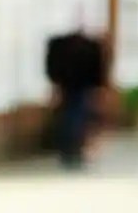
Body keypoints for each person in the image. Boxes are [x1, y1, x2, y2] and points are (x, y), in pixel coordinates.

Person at [45, 24, 106, 170]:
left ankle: (71, 152)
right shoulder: (88, 46)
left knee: (72, 119)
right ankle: (73, 151)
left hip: (74, 87)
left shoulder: (61, 44)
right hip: (75, 87)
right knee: (74, 119)